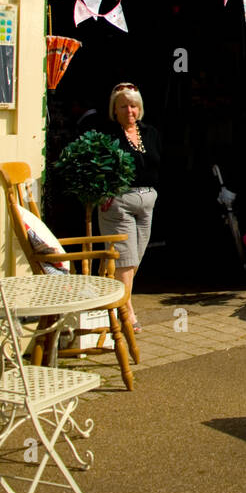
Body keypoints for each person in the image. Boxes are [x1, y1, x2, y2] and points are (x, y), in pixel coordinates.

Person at [98, 82, 161, 332]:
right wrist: (103, 192)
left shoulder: (151, 133)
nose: (129, 111)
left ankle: (116, 301)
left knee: (135, 259)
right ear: (114, 109)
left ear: (140, 108)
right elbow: (97, 165)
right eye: (123, 106)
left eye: (133, 106)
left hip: (147, 201)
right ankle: (127, 313)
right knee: (125, 259)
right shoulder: (107, 134)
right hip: (119, 203)